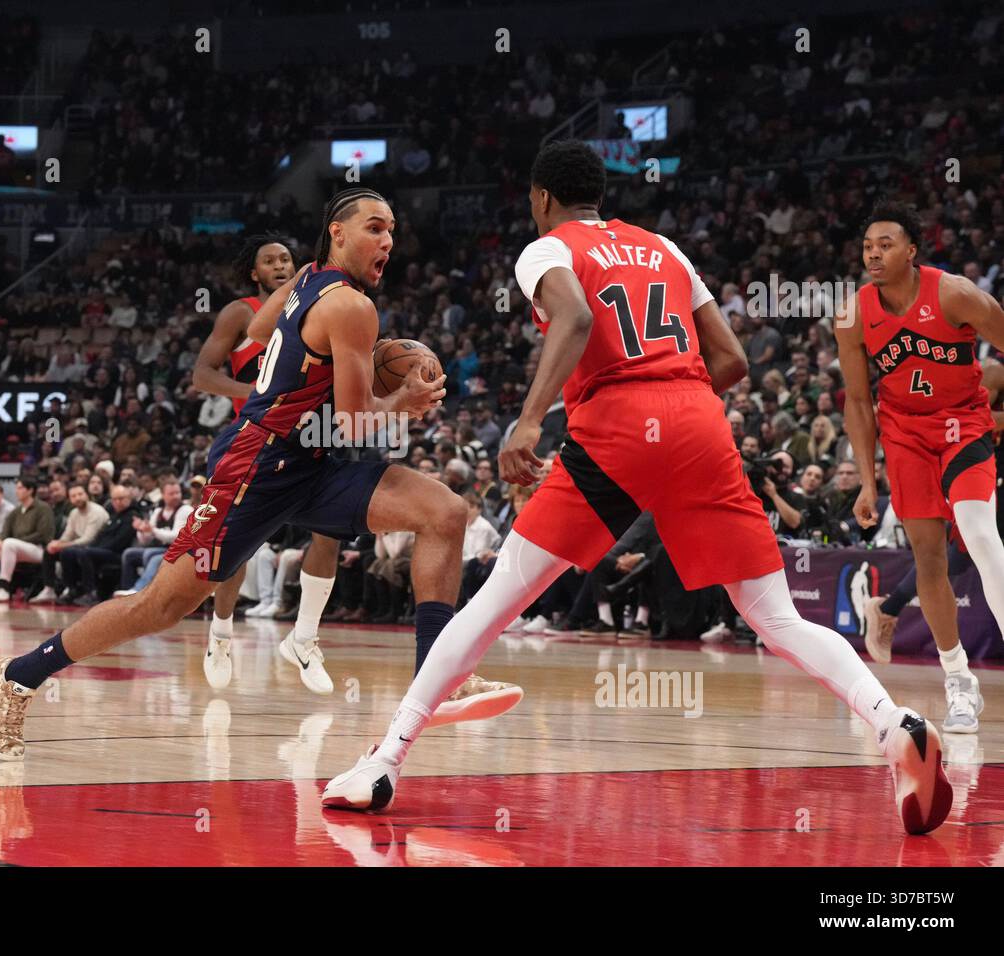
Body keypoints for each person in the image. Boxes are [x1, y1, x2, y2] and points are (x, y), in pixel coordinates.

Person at [321, 142, 951, 836]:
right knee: (775, 617)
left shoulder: (547, 249)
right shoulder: (664, 247)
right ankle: (896, 724)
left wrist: (528, 421)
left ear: (541, 199)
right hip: (699, 421)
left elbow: (578, 319)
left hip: (617, 428)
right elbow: (732, 360)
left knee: (494, 603)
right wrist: (675, 414)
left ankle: (385, 760)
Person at [0, 188, 520, 760]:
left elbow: (258, 329)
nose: (387, 241)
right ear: (337, 232)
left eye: (392, 232)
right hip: (256, 469)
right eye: (374, 228)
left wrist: (313, 362)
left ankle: (439, 678)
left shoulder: (311, 278)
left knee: (446, 513)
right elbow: (361, 423)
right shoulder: (351, 307)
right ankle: (17, 675)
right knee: (160, 607)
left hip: (312, 461)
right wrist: (402, 400)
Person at [838, 207, 1004, 734]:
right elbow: (859, 403)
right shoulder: (853, 314)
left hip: (963, 425)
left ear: (911, 251)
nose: (873, 254)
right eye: (867, 245)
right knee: (928, 558)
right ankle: (959, 682)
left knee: (978, 534)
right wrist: (867, 480)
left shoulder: (954, 293)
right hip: (904, 433)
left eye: (885, 244)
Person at [188, 234, 341, 692]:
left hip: (311, 436)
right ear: (254, 273)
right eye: (269, 261)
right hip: (254, 439)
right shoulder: (241, 312)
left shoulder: (316, 305)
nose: (280, 265)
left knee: (330, 534)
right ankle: (220, 633)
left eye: (286, 259)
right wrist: (254, 393)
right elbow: (202, 375)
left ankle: (305, 638)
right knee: (237, 546)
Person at [30, 483, 108, 604]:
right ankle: (49, 589)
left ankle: (77, 590)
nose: (77, 498)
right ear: (70, 499)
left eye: (80, 494)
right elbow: (67, 535)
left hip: (96, 547)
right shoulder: (74, 513)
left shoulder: (96, 512)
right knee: (50, 550)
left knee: (67, 551)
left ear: (86, 495)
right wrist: (56, 544)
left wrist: (62, 545)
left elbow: (88, 539)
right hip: (78, 548)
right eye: (73, 496)